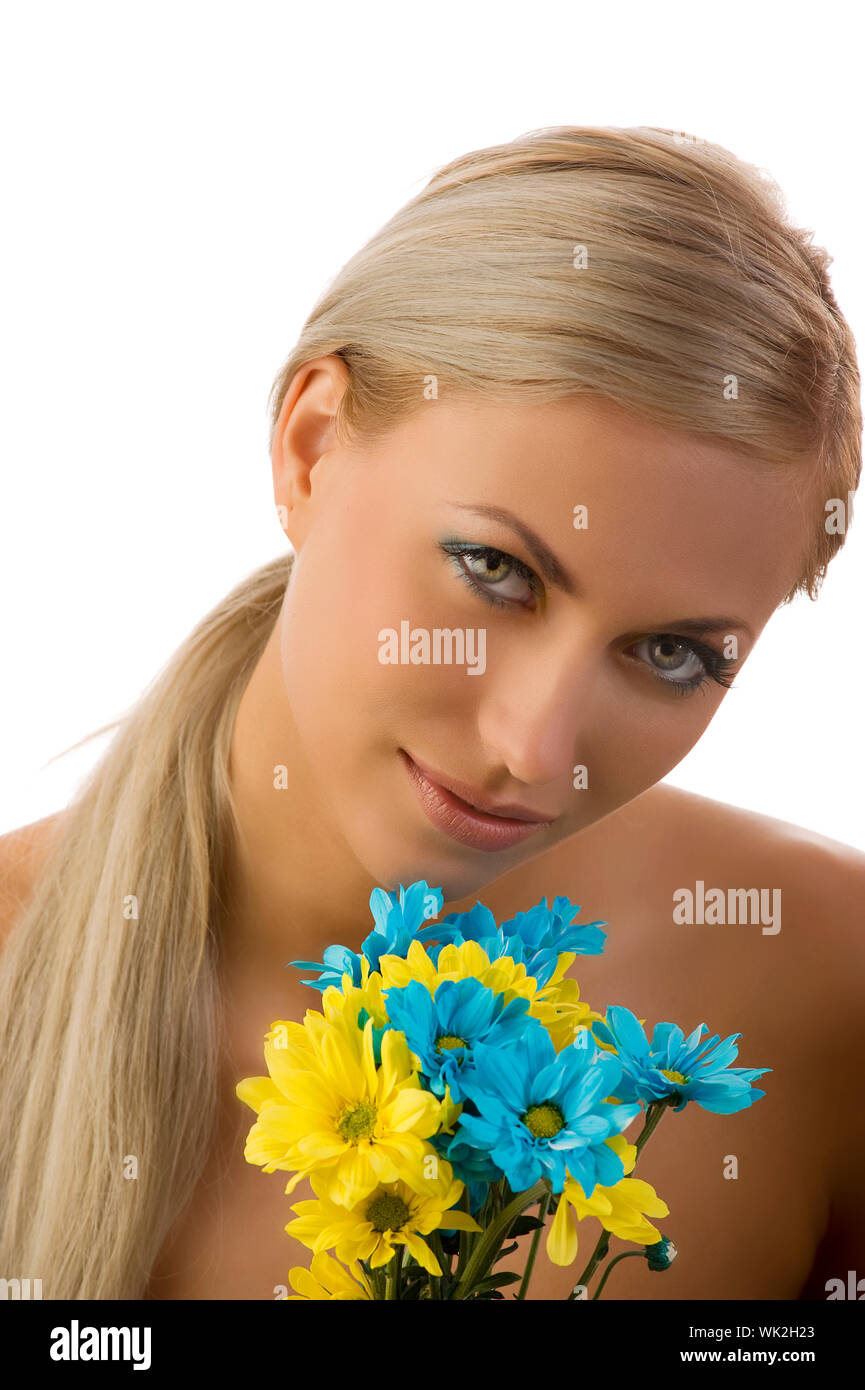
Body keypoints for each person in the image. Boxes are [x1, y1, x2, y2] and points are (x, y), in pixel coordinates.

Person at [0, 125, 862, 1301]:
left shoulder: (825, 987)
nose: (533, 750)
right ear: (308, 448)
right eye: (495, 571)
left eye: (669, 654)